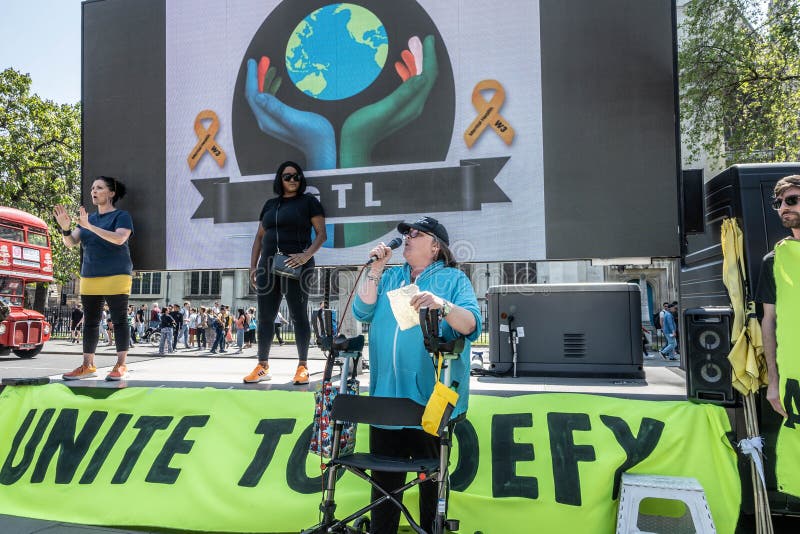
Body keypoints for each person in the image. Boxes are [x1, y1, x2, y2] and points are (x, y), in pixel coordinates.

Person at [352, 216, 481, 534]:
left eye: (416, 233)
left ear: (436, 247)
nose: (407, 237)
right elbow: (361, 310)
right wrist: (376, 269)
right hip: (387, 402)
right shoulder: (391, 276)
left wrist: (443, 305)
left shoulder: (453, 280)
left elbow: (471, 325)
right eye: (406, 233)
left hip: (429, 402)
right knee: (384, 486)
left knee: (431, 486)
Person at [245, 161, 326, 385]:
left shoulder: (309, 202)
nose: (292, 180)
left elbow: (321, 235)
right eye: (287, 176)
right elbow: (259, 238)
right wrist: (253, 266)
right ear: (280, 179)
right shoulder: (271, 204)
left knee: (298, 315)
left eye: (296, 176)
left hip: (296, 265)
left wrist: (306, 255)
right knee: (264, 317)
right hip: (268, 266)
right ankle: (262, 366)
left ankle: (303, 366)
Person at [54, 176, 134, 381]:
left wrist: (89, 226)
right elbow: (71, 243)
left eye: (99, 188)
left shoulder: (121, 216)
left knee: (119, 320)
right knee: (90, 321)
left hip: (117, 273)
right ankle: (87, 365)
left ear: (111, 193)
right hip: (89, 274)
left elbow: (119, 239)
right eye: (92, 188)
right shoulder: (88, 220)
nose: (94, 191)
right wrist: (65, 228)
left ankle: (121, 364)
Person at [757, 174, 800, 418]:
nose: (784, 208)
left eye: (792, 200)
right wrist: (773, 382)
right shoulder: (773, 261)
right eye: (780, 203)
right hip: (794, 379)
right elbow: (769, 321)